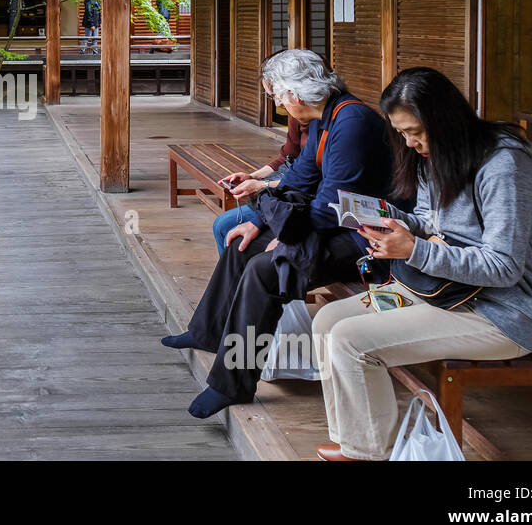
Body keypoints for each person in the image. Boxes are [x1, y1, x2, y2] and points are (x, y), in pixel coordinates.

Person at [312, 67, 532, 461]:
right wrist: (389, 220)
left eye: (416, 132)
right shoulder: (437, 157)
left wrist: (413, 250)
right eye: (402, 134)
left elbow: (504, 267)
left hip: (500, 312)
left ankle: (370, 453)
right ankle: (357, 442)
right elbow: (431, 222)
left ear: (446, 119)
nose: (410, 143)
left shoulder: (503, 169)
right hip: (443, 291)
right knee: (326, 322)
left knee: (350, 340)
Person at [160, 48, 392, 419]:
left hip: (366, 239)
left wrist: (285, 235)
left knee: (265, 268)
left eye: (276, 97)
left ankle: (231, 384)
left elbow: (333, 204)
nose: (278, 105)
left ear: (293, 97)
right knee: (242, 243)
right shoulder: (324, 117)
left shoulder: (352, 124)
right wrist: (257, 222)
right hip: (328, 223)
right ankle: (208, 331)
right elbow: (301, 176)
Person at [212, 111, 306, 253]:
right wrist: (252, 177)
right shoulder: (295, 114)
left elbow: (307, 179)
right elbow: (286, 159)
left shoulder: (326, 125)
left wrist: (261, 185)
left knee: (226, 228)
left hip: (299, 198)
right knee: (221, 225)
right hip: (283, 190)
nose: (279, 103)